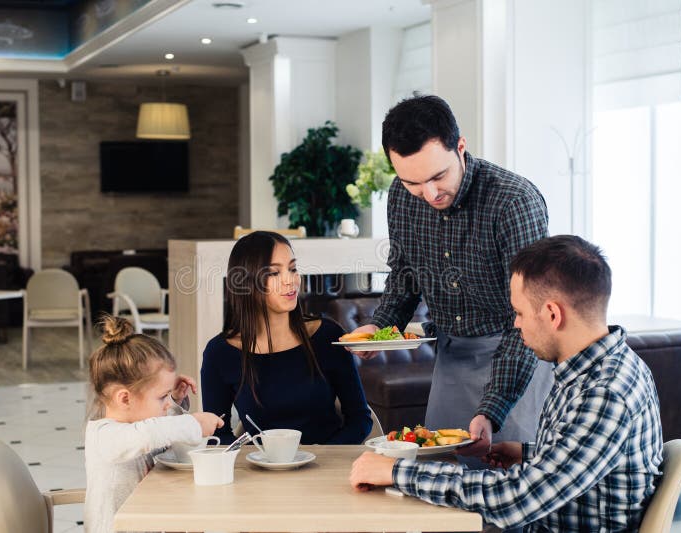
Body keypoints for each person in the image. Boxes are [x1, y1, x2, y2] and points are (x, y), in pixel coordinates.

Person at [349, 235, 664, 532]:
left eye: (519, 313)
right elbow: (588, 457)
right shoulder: (601, 366)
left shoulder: (605, 392)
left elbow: (518, 498)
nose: (515, 324)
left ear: (553, 314)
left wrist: (396, 472)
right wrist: (527, 453)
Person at [346, 94, 553, 453]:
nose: (428, 193)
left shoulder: (513, 202)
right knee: (440, 474)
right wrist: (378, 330)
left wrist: (493, 408)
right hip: (451, 356)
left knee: (505, 476)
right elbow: (406, 275)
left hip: (517, 352)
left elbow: (531, 317)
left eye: (438, 176)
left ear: (460, 147)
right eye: (412, 182)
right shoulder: (401, 196)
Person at [201, 231, 372, 445]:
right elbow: (218, 435)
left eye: (292, 269)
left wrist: (321, 456)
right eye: (274, 273)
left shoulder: (327, 336)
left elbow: (360, 420)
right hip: (262, 471)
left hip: (326, 468)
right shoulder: (220, 352)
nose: (290, 280)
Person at [84, 316, 224, 533]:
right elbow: (149, 434)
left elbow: (161, 431)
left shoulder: (139, 423)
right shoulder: (104, 437)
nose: (166, 405)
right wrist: (193, 423)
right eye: (162, 397)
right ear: (125, 399)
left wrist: (174, 400)